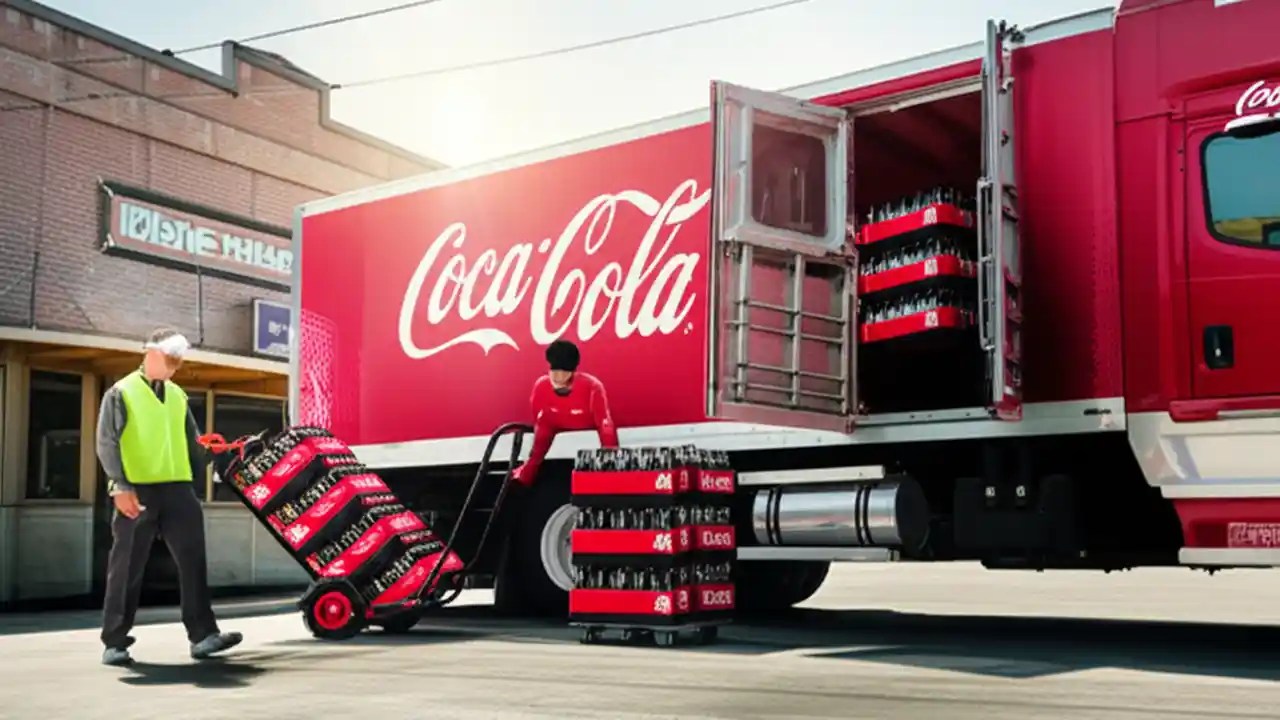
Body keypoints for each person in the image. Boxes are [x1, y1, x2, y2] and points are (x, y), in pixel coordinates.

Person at [97, 328, 242, 666]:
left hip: (178, 490)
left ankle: (204, 635)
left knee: (193, 561)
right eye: (170, 361)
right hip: (137, 488)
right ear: (150, 353)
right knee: (127, 566)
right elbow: (107, 443)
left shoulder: (177, 395)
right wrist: (119, 485)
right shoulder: (121, 393)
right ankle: (114, 641)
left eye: (178, 363)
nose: (174, 369)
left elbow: (193, 443)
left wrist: (220, 459)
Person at [511, 339, 619, 487]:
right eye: (555, 372)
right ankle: (527, 472)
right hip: (552, 424)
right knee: (543, 426)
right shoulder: (541, 386)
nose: (559, 378)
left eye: (565, 373)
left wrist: (612, 460)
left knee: (605, 429)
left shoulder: (592, 387)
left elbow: (605, 424)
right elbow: (538, 419)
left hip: (586, 423)